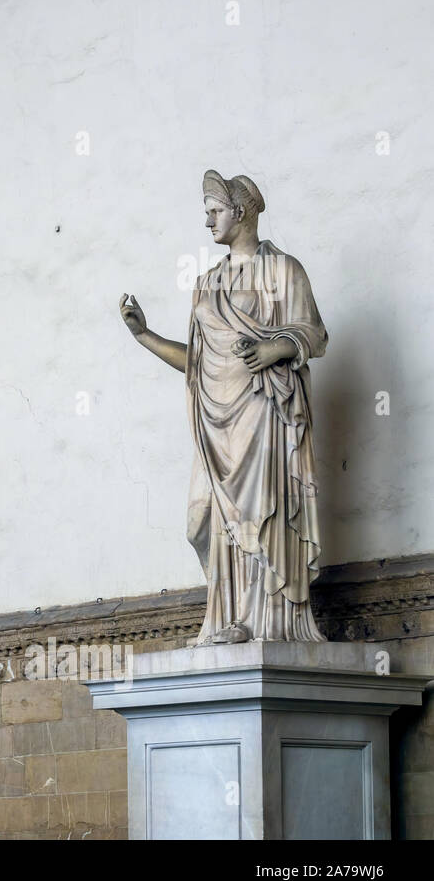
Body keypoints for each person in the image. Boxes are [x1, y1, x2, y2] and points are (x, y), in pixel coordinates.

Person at [120, 170, 328, 643]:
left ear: (241, 211)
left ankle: (265, 624)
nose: (208, 222)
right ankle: (228, 614)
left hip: (265, 412)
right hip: (216, 423)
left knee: (263, 515)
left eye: (214, 212)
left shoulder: (283, 270)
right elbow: (196, 364)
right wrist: (144, 335)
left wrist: (277, 348)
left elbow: (314, 334)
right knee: (201, 522)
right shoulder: (207, 284)